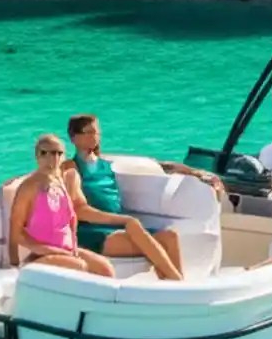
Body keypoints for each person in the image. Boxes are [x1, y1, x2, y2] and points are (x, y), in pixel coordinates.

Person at [62, 114, 223, 281]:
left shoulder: (105, 164)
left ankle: (173, 287)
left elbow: (160, 165)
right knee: (155, 245)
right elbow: (78, 210)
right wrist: (122, 220)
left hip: (120, 226)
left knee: (170, 237)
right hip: (92, 231)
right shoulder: (70, 168)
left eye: (96, 132)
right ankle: (178, 284)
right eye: (88, 132)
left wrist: (196, 173)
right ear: (74, 137)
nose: (94, 137)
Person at [8, 134, 114, 277]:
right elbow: (16, 231)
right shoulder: (29, 187)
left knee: (106, 269)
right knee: (79, 266)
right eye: (45, 153)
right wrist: (14, 265)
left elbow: (71, 221)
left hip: (67, 249)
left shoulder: (61, 182)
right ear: (37, 156)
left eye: (58, 153)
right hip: (41, 256)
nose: (53, 158)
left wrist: (74, 248)